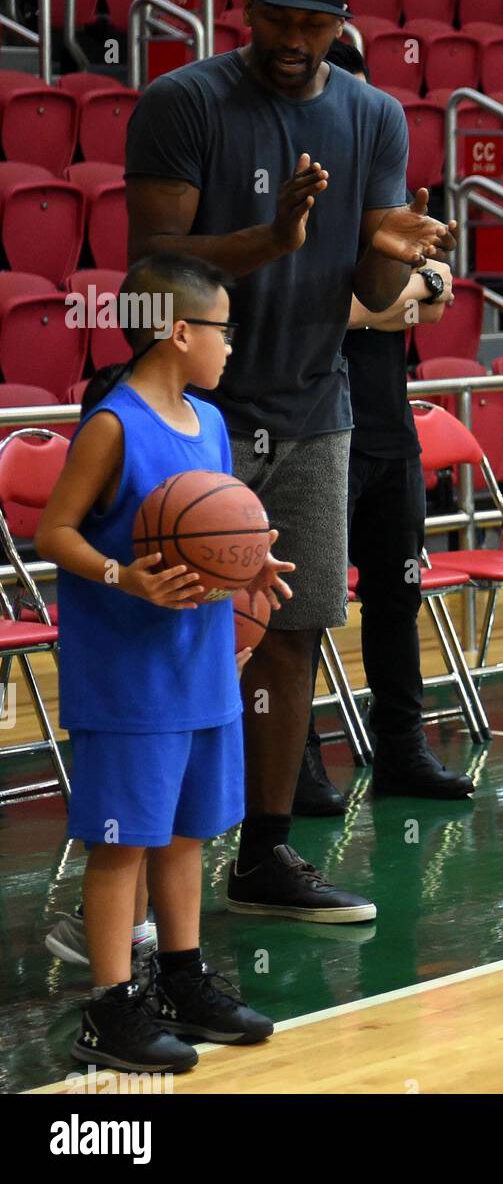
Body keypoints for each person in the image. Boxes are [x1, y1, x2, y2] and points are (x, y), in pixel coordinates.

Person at [125, 0, 452, 922]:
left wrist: (391, 257)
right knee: (171, 633)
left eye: (314, 25)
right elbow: (151, 264)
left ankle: (263, 856)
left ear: (341, 26)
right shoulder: (183, 102)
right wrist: (271, 241)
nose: (294, 40)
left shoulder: (374, 117)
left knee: (292, 634)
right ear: (247, 10)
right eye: (278, 19)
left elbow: (371, 287)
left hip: (315, 409)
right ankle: (137, 869)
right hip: (190, 413)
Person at [35, 256, 291, 1072]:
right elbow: (54, 535)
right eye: (223, 329)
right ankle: (110, 1011)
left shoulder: (208, 422)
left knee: (187, 834)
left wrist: (246, 567)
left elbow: (211, 534)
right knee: (124, 844)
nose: (230, 345)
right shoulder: (111, 423)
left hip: (203, 661)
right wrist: (124, 577)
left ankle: (183, 981)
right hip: (128, 672)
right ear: (179, 332)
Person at [294, 39, 473, 813]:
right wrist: (390, 298)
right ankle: (294, 766)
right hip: (307, 426)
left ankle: (401, 749)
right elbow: (305, 303)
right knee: (302, 613)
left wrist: (388, 295)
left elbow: (435, 293)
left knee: (397, 600)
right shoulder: (294, 201)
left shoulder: (384, 199)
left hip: (387, 426)